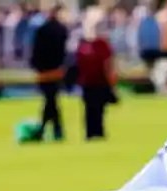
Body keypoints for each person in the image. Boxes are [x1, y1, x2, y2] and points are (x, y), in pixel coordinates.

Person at [75, 8, 116, 141]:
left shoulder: (101, 44)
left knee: (99, 109)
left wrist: (111, 80)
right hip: (87, 82)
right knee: (89, 109)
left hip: (99, 81)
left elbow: (108, 64)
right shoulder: (83, 43)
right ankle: (90, 132)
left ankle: (97, 132)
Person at [30, 3, 69, 142]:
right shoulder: (62, 30)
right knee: (51, 100)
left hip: (45, 71)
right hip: (56, 70)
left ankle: (45, 129)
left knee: (50, 100)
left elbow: (36, 52)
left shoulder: (42, 30)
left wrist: (36, 66)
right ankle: (55, 130)